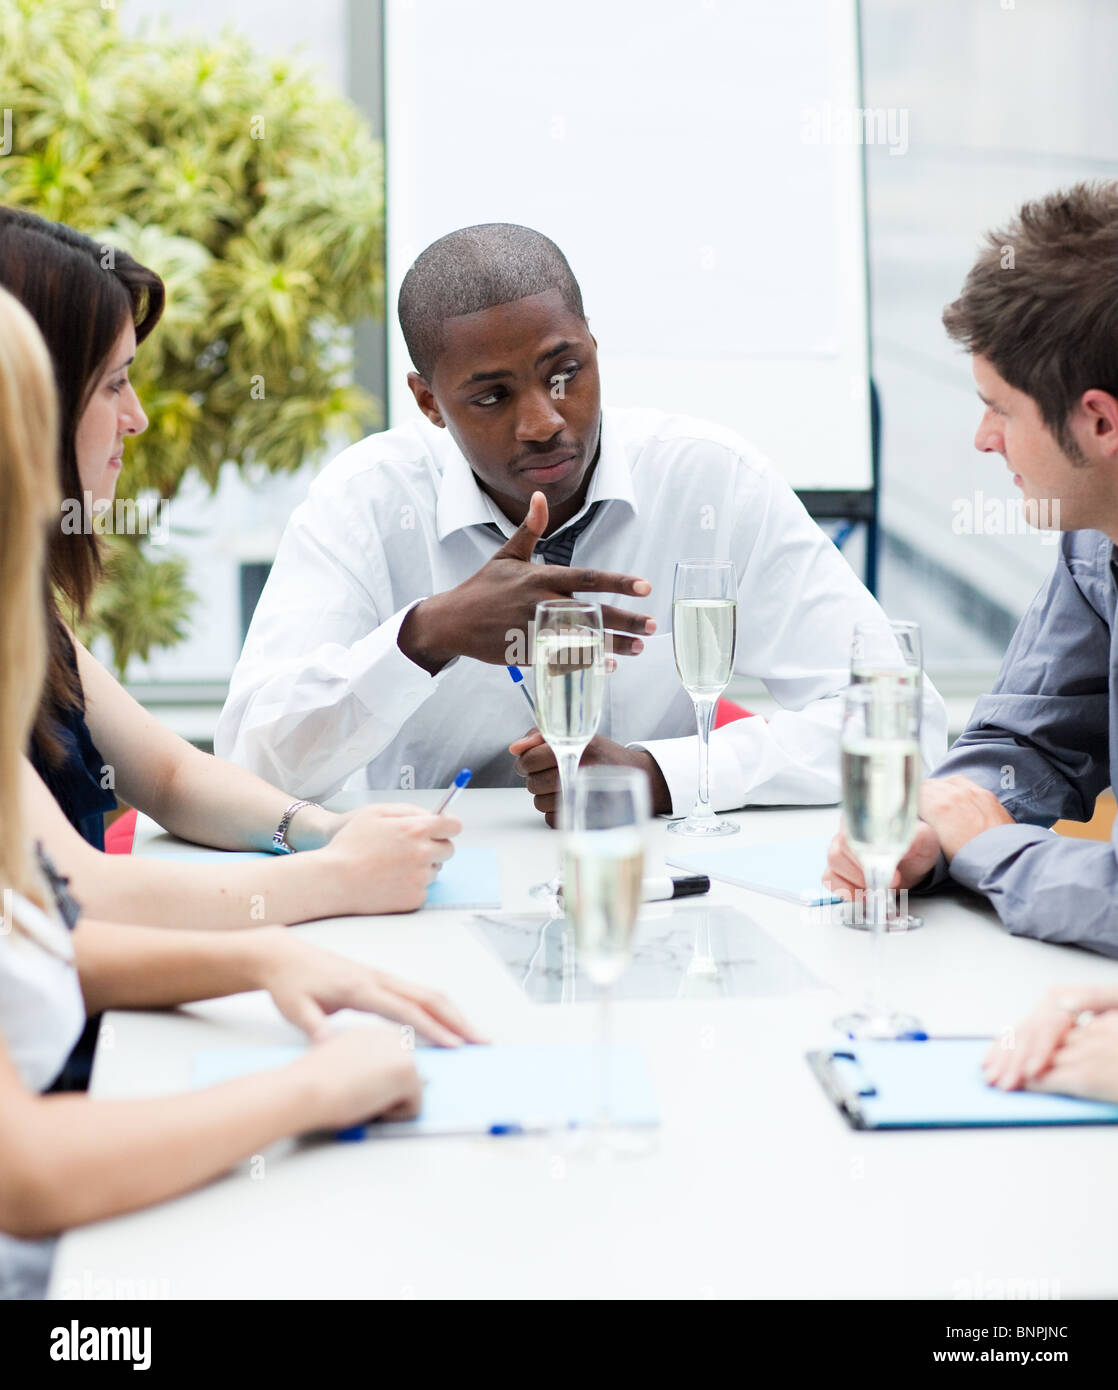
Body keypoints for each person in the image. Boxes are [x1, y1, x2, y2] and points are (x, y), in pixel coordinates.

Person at [0, 285, 481, 1299]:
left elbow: (52, 924)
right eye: (111, 387)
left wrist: (271, 931)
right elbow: (29, 1172)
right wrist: (311, 1085)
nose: (136, 420)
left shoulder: (29, 624)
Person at [217, 222, 946, 820]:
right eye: (491, 397)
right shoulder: (366, 502)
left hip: (652, 886)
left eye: (564, 373)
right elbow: (248, 768)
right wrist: (426, 635)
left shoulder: (711, 481)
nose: (543, 421)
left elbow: (905, 722)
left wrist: (658, 775)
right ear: (428, 401)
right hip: (423, 889)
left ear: (594, 344)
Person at [0, 208, 460, 930]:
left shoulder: (25, 610)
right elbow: (72, 893)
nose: (136, 418)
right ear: (30, 395)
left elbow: (171, 776)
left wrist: (325, 831)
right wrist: (340, 878)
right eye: (113, 384)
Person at [823, 181, 1118, 958]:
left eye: (1001, 408)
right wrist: (931, 829)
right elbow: (1034, 740)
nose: (983, 439)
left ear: (1099, 420)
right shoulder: (1095, 543)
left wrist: (992, 849)